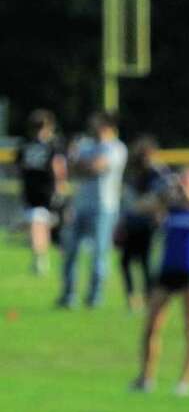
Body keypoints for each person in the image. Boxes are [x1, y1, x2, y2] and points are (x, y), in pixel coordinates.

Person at [130, 166, 189, 395]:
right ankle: (146, 378)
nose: (185, 182)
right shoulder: (168, 207)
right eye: (183, 178)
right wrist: (162, 194)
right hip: (166, 272)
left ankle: (185, 382)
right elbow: (139, 207)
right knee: (151, 326)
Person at [58, 110, 127, 309]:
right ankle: (68, 295)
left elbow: (96, 167)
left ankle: (94, 297)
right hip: (80, 205)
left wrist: (81, 164)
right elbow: (72, 167)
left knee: (99, 253)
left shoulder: (116, 148)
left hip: (104, 207)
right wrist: (81, 164)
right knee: (70, 251)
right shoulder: (86, 145)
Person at [119, 133, 171, 310]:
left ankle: (150, 298)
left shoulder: (158, 172)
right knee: (125, 261)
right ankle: (132, 297)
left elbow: (164, 195)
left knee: (146, 262)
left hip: (148, 222)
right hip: (132, 221)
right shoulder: (132, 172)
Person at [16, 109, 68, 277]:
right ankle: (43, 258)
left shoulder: (25, 144)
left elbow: (21, 167)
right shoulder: (52, 145)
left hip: (38, 190)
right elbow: (58, 166)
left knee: (40, 225)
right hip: (44, 190)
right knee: (40, 225)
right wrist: (61, 185)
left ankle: (41, 259)